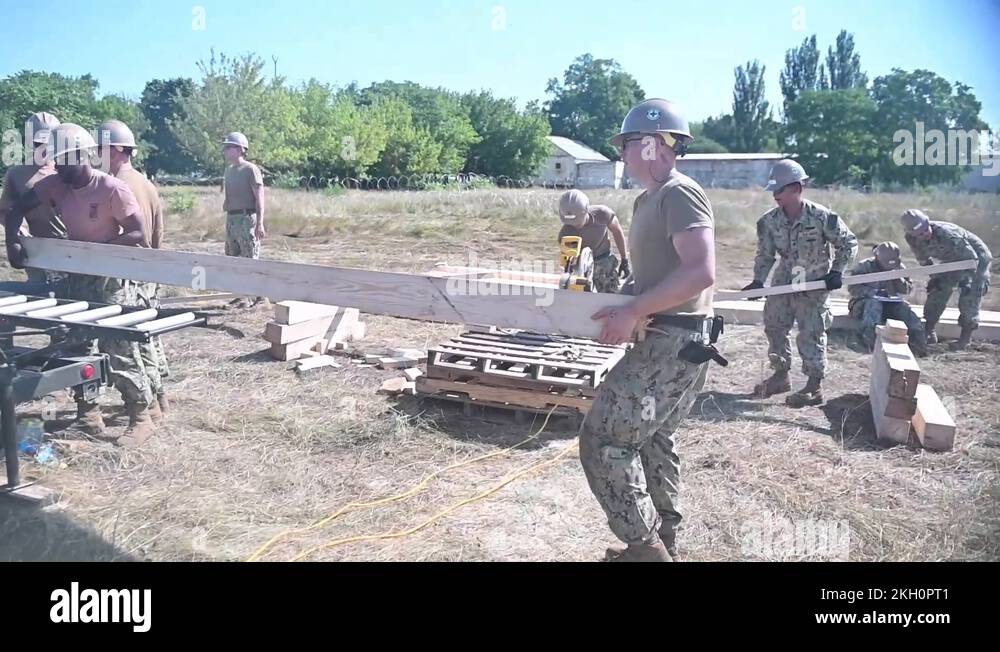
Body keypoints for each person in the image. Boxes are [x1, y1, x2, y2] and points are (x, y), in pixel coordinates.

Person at [581, 98, 718, 562]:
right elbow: (653, 277)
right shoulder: (648, 200)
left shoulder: (680, 193)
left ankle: (645, 551)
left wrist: (636, 308)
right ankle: (665, 542)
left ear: (655, 144)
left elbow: (700, 271)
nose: (622, 151)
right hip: (671, 340)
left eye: (628, 143)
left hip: (674, 342)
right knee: (653, 438)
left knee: (603, 441)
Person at [28, 123, 156, 447]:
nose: (56, 167)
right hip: (78, 280)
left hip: (111, 280)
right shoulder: (59, 186)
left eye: (62, 160)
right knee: (78, 350)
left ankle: (140, 417)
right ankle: (88, 416)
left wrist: (99, 253)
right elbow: (17, 206)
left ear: (79, 156)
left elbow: (138, 233)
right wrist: (17, 242)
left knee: (120, 349)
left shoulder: (112, 188)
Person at [743, 159, 858, 407]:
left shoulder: (822, 217)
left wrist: (837, 271)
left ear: (797, 188)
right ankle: (780, 375)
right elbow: (765, 254)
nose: (775, 195)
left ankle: (813, 387)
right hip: (784, 280)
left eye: (780, 190)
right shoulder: (768, 221)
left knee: (811, 331)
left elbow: (848, 243)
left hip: (814, 281)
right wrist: (758, 281)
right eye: (773, 190)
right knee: (774, 326)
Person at [96, 119, 170, 417]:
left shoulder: (114, 186)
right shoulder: (146, 183)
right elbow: (158, 235)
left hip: (124, 277)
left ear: (114, 149)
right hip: (148, 273)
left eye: (99, 149)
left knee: (128, 343)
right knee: (149, 338)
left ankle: (145, 409)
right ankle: (160, 399)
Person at [900, 209, 992, 350]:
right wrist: (935, 276)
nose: (925, 234)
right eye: (920, 234)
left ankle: (964, 339)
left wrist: (964, 281)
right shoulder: (912, 238)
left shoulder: (947, 234)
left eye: (926, 229)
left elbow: (971, 259)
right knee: (938, 288)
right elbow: (924, 259)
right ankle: (929, 331)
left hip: (976, 259)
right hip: (951, 260)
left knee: (969, 292)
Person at [1, 111, 66, 291]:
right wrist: (19, 229)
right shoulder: (16, 175)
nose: (43, 147)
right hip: (35, 249)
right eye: (38, 143)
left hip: (69, 248)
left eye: (48, 143)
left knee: (70, 297)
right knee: (38, 295)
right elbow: (5, 210)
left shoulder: (68, 171)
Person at [847, 242, 927, 356]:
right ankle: (869, 345)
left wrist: (897, 277)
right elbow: (852, 288)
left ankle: (920, 347)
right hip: (864, 304)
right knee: (873, 305)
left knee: (906, 311)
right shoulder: (864, 266)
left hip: (890, 304)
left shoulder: (899, 267)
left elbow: (907, 290)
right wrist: (873, 292)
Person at [221, 131, 266, 308]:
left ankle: (260, 297)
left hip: (248, 218)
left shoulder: (251, 169)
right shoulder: (229, 171)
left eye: (229, 147)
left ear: (240, 149)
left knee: (250, 258)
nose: (225, 151)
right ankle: (241, 296)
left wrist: (260, 222)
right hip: (232, 219)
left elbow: (259, 197)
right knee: (233, 258)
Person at [556, 189, 630, 293]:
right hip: (582, 267)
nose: (573, 226)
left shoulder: (602, 214)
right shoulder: (565, 233)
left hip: (605, 261)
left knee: (610, 297)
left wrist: (624, 260)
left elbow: (617, 232)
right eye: (570, 223)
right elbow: (568, 263)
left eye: (576, 222)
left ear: (585, 211)